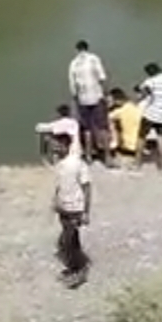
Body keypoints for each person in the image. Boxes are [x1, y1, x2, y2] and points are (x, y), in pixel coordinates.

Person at [48, 131, 92, 289]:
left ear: (65, 145)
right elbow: (60, 185)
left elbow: (87, 188)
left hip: (75, 208)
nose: (53, 147)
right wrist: (55, 200)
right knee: (72, 241)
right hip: (63, 208)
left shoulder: (77, 164)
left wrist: (86, 212)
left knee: (67, 242)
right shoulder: (59, 163)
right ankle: (75, 268)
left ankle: (80, 270)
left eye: (56, 144)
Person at [66, 40, 110, 164]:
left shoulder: (73, 64)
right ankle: (107, 157)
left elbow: (72, 87)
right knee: (103, 128)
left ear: (77, 50)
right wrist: (105, 95)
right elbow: (102, 78)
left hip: (82, 99)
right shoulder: (94, 59)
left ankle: (89, 156)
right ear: (87, 48)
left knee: (87, 129)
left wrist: (76, 100)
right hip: (97, 96)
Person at [106, 88, 142, 164]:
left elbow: (106, 118)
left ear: (116, 100)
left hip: (127, 147)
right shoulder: (134, 107)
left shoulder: (120, 111)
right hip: (139, 145)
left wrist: (108, 106)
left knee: (112, 123)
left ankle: (114, 144)